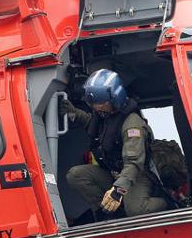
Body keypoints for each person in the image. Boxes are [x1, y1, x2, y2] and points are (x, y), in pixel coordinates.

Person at [63, 69, 168, 219]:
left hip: (136, 175)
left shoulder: (132, 124)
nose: (97, 107)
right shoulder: (105, 115)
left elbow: (133, 163)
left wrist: (118, 191)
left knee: (136, 210)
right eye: (93, 103)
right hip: (114, 173)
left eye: (101, 103)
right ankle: (110, 213)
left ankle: (167, 204)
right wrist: (72, 112)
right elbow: (94, 125)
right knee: (76, 175)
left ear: (115, 98)